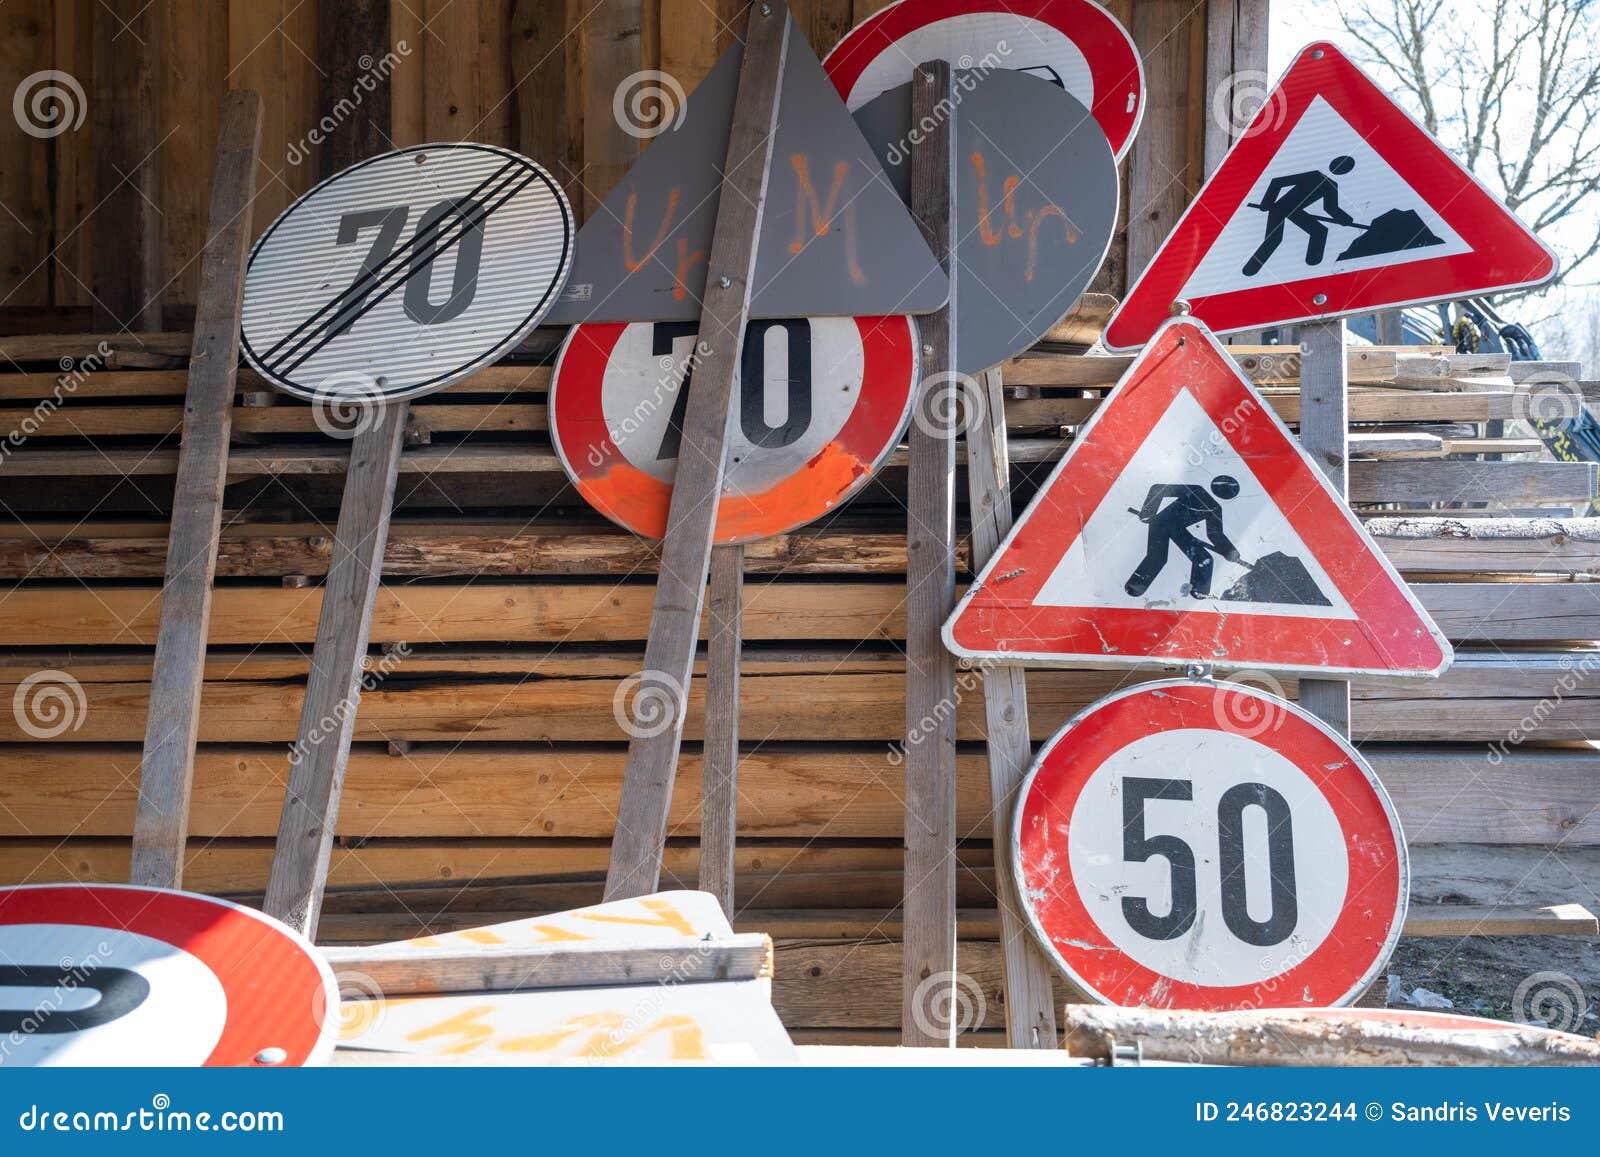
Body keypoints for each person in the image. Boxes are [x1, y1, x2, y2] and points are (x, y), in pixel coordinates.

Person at [1124, 475, 1245, 599]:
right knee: (1157, 557)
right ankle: (1134, 586)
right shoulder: (1197, 490)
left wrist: (1230, 551)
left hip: (1178, 530)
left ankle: (1199, 592)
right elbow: (1158, 489)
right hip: (1161, 523)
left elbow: (1215, 534)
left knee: (1204, 559)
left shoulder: (1215, 508)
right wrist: (1148, 511)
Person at [1242, 156, 1357, 276]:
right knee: (1274, 239)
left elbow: (1330, 208)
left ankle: (1313, 267)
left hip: (1296, 211)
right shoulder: (1314, 175)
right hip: (1280, 208)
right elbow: (1277, 182)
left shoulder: (1331, 185)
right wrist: (1266, 203)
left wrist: (1345, 220)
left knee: (1319, 231)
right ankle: (1250, 270)